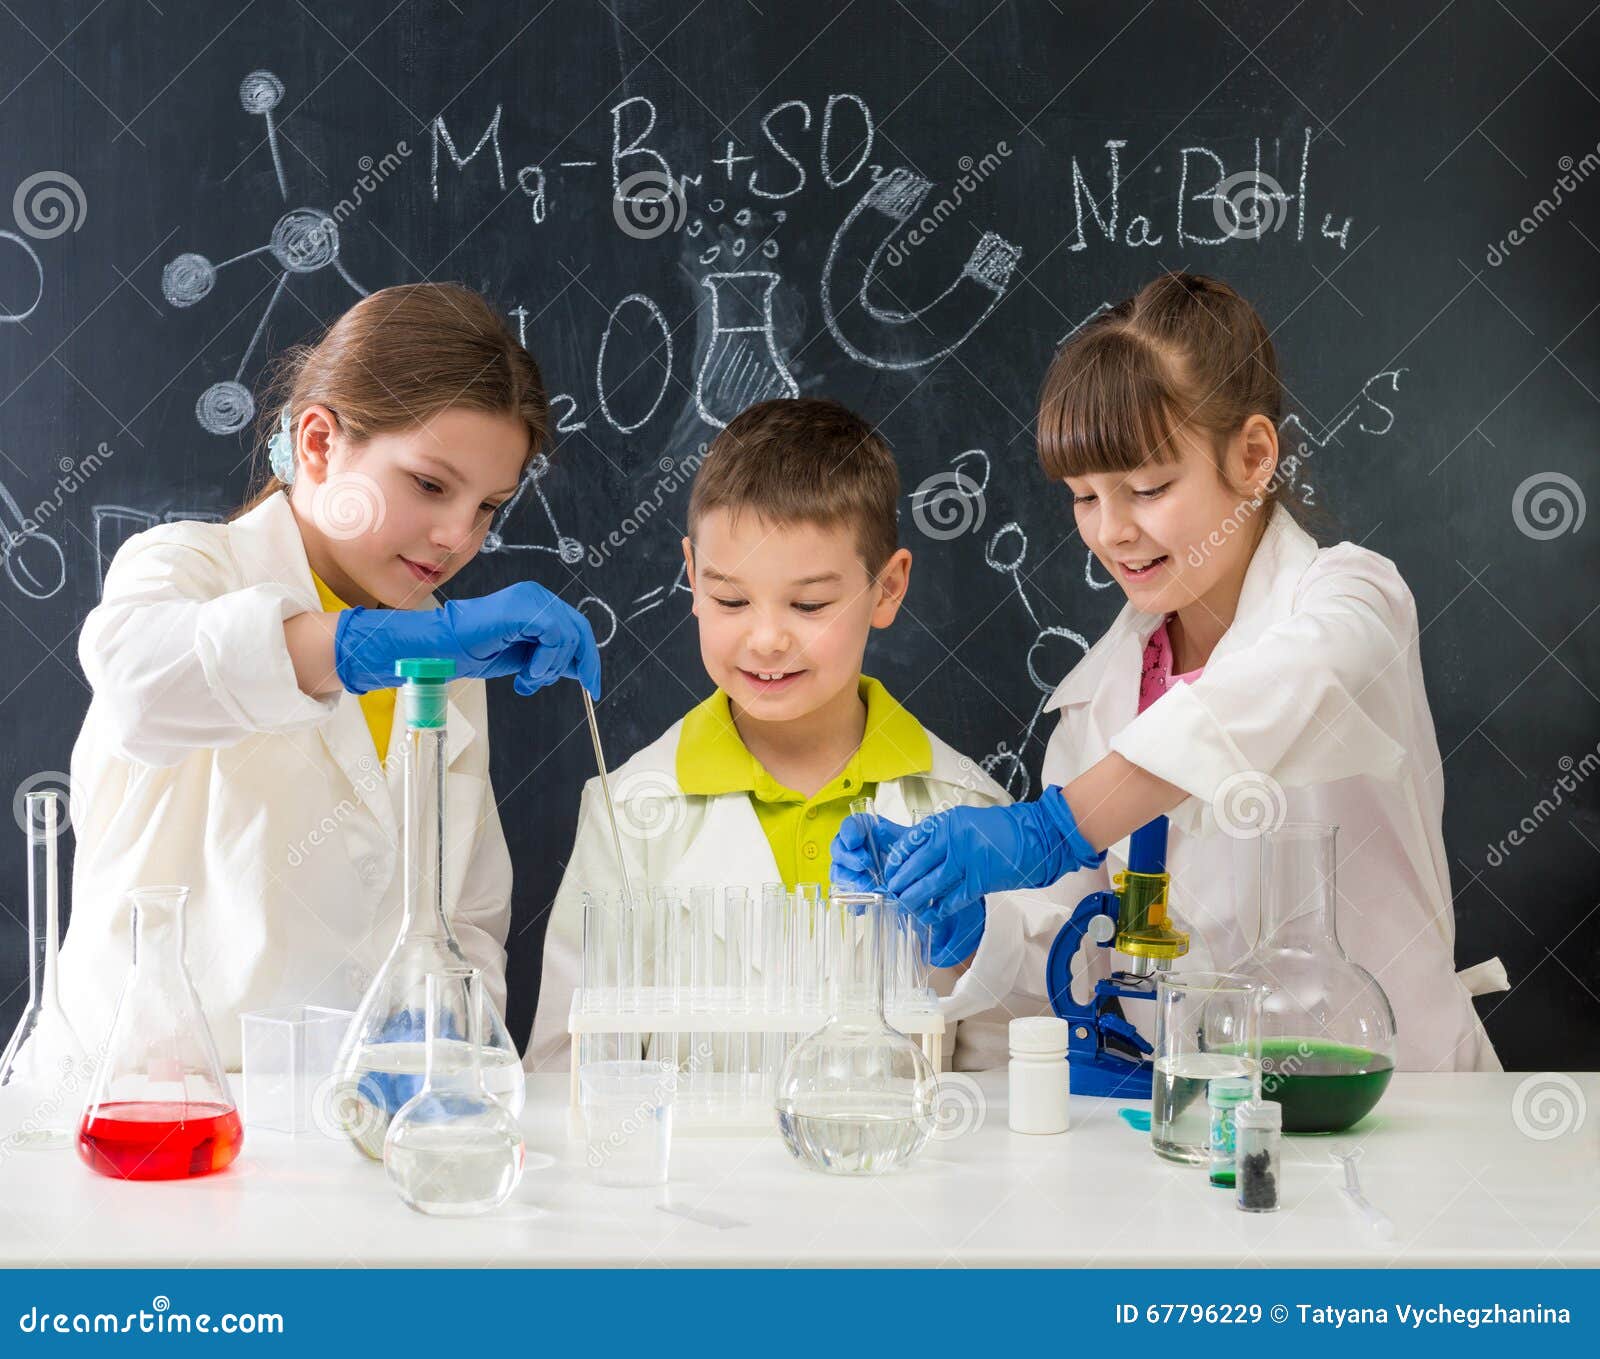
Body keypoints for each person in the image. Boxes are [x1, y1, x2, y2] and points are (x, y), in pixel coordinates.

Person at [834, 272, 1504, 1072]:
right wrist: (973, 926)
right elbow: (1072, 955)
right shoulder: (1102, 692)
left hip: (1397, 1101)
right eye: (1084, 497)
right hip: (1196, 1114)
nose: (1111, 532)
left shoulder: (1354, 601)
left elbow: (1263, 697)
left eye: (1147, 488)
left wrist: (1055, 826)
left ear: (1252, 456)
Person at [59, 283, 600, 1068]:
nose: (459, 535)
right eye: (429, 484)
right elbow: (142, 686)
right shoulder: (187, 568)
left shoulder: (446, 660)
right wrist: (373, 647)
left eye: (489, 505)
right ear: (317, 443)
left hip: (358, 1115)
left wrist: (448, 1051)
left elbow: (469, 915)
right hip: (160, 1106)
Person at [526, 397, 1027, 1072]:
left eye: (809, 603)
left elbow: (1007, 1081)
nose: (766, 638)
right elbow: (568, 1071)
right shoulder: (630, 811)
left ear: (887, 588)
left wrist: (980, 950)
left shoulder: (967, 807)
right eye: (731, 599)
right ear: (692, 577)